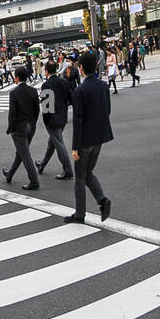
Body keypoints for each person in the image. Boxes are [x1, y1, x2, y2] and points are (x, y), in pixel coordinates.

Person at [67, 52, 113, 224]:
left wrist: (75, 147)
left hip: (85, 140)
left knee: (80, 176)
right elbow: (107, 111)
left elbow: (78, 121)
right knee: (87, 172)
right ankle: (102, 200)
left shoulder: (80, 90)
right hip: (100, 136)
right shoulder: (103, 86)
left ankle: (80, 214)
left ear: (80, 69)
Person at [1, 66, 41, 191]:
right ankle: (10, 173)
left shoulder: (14, 93)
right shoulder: (33, 91)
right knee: (21, 152)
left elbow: (12, 113)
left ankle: (34, 181)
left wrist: (10, 129)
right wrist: (33, 122)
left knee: (25, 154)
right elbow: (37, 110)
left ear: (17, 78)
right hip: (31, 125)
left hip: (20, 127)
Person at [35, 60, 74, 182]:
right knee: (53, 143)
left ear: (46, 71)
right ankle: (42, 164)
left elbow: (47, 108)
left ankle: (68, 169)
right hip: (63, 116)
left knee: (58, 143)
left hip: (52, 119)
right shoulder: (64, 82)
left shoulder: (46, 85)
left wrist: (46, 121)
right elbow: (71, 98)